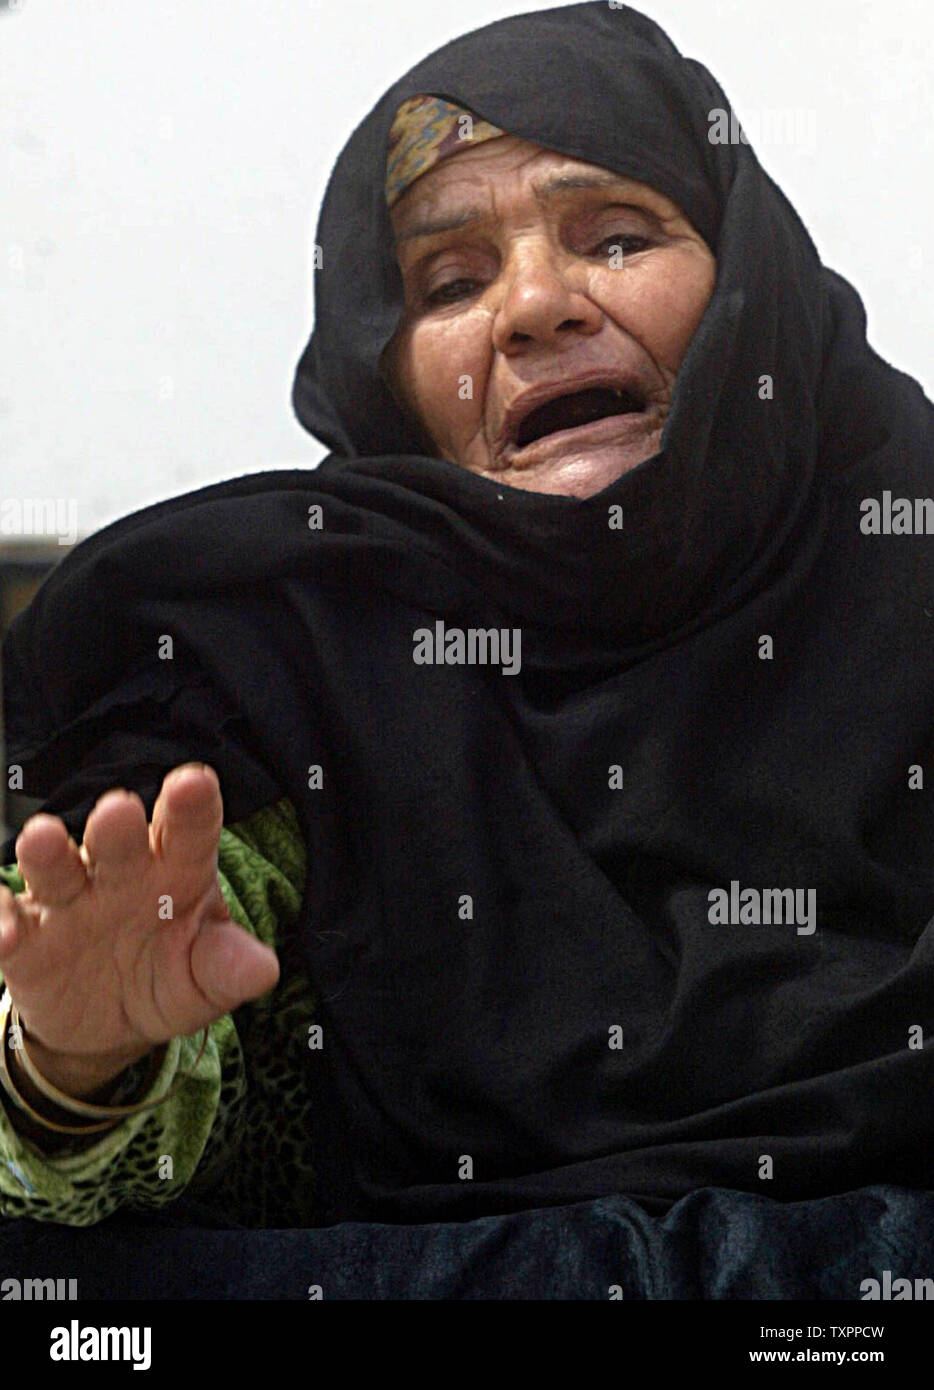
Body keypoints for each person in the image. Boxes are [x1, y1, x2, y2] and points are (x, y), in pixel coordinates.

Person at [1, 0, 933, 1244]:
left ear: (747, 277)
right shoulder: (283, 646)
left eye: (613, 236)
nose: (536, 307)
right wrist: (76, 1066)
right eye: (451, 279)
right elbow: (136, 1035)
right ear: (386, 381)